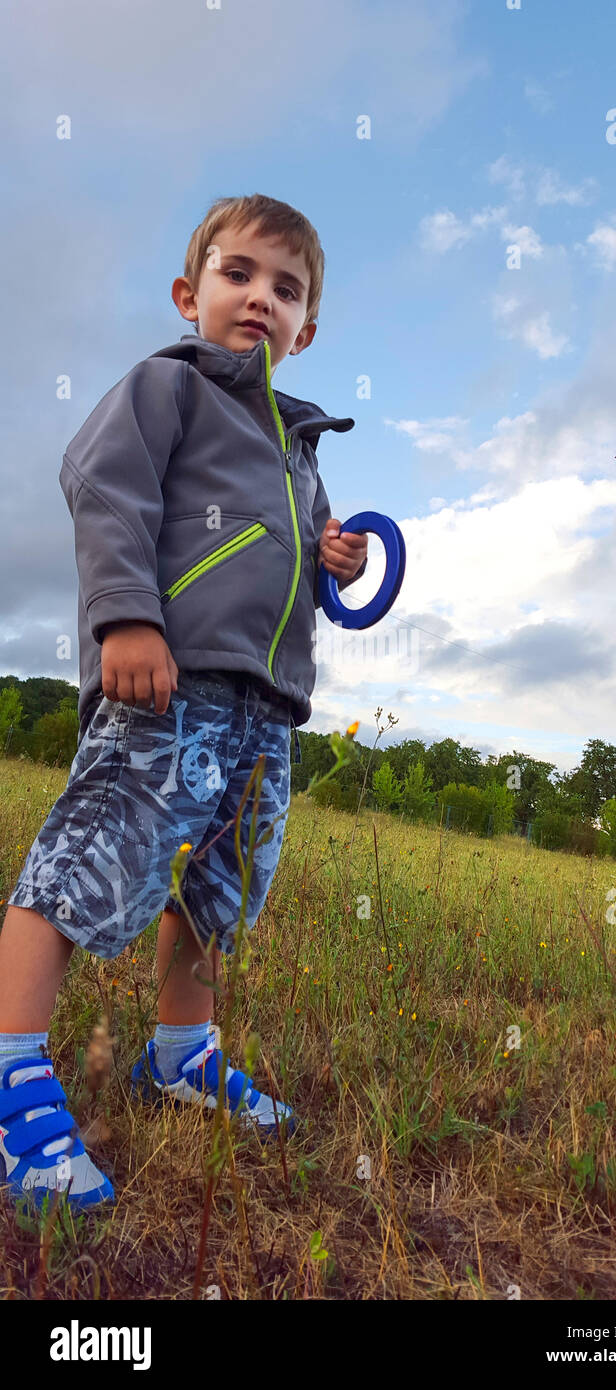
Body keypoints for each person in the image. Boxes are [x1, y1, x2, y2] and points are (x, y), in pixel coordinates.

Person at [0, 193, 368, 1209]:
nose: (260, 297)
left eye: (284, 289)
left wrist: (335, 557)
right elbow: (105, 485)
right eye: (237, 273)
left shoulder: (301, 452)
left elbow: (293, 567)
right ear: (188, 293)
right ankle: (9, 1068)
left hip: (267, 708)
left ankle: (177, 1052)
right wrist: (126, 616)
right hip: (167, 680)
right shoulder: (171, 387)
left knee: (218, 888)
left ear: (307, 327)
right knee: (86, 861)